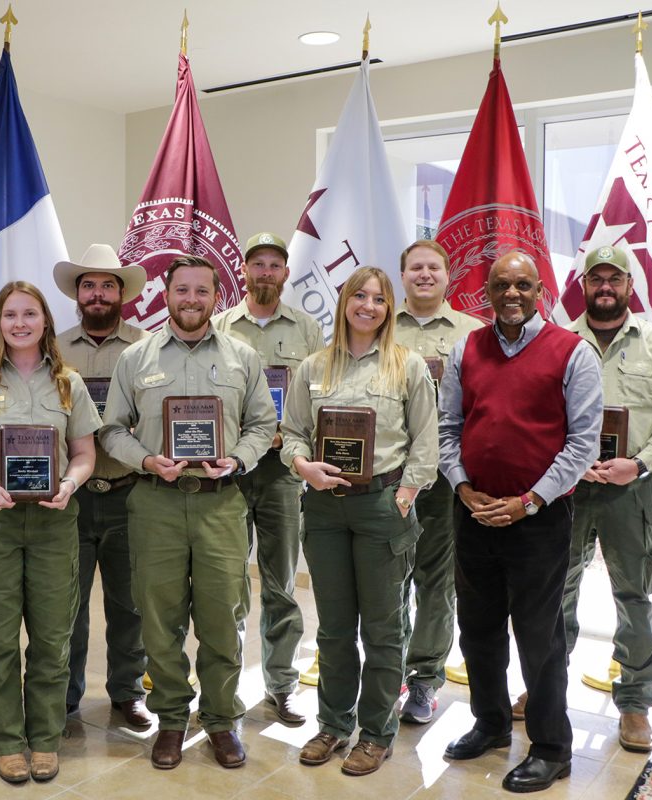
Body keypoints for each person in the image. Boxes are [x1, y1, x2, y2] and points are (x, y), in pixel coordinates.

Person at [100, 254, 277, 771]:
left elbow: (263, 426)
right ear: (167, 294)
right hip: (155, 501)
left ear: (215, 297)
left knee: (224, 617)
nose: (192, 300)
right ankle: (173, 718)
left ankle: (220, 720)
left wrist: (238, 460)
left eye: (202, 291)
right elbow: (112, 429)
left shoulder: (243, 357)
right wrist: (147, 459)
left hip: (221, 504)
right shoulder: (136, 358)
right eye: (183, 290)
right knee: (159, 619)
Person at [438, 251, 602, 794]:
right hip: (475, 513)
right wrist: (463, 488)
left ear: (540, 292)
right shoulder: (468, 347)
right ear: (487, 290)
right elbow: (448, 427)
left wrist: (529, 501)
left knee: (539, 636)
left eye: (523, 285)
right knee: (478, 628)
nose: (512, 293)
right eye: (501, 284)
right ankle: (488, 722)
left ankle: (552, 747)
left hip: (539, 519)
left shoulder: (572, 352)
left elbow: (582, 444)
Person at [280, 266, 437, 776]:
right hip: (324, 508)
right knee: (333, 627)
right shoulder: (312, 367)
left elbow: (426, 440)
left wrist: (405, 494)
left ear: (389, 308)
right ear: (344, 301)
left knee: (384, 628)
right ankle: (332, 723)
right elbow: (293, 432)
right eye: (359, 296)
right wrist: (303, 466)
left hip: (381, 505)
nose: (367, 306)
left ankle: (375, 732)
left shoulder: (406, 366)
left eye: (378, 299)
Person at [0, 281, 100, 784]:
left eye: (29, 314)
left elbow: (85, 455)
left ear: (45, 321)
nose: (20, 323)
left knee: (54, 634)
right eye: (10, 315)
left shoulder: (68, 384)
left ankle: (45, 737)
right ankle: (7, 738)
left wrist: (72, 484)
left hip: (55, 519)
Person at [558, 245, 652, 751]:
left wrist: (637, 464)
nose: (606, 287)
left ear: (630, 286)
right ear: (584, 286)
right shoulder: (557, 342)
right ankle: (545, 687)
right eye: (597, 279)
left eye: (614, 279)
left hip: (630, 491)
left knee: (634, 598)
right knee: (554, 592)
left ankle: (635, 701)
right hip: (567, 491)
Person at [212, 232, 323, 725]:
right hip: (230, 473)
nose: (265, 272)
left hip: (281, 474)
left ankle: (281, 685)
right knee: (228, 585)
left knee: (280, 584)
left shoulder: (308, 330)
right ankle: (225, 688)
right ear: (243, 270)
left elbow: (321, 395)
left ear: (285, 273)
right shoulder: (218, 326)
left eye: (274, 264)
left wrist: (291, 440)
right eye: (256, 264)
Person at [53, 245, 154, 729]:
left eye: (107, 285)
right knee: (67, 604)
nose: (98, 293)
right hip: (69, 496)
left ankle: (127, 692)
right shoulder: (52, 347)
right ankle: (66, 695)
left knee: (129, 603)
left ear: (121, 294)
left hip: (129, 492)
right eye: (89, 285)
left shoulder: (146, 346)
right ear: (78, 294)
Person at [391, 240, 484, 724]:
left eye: (433, 268)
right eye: (414, 268)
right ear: (402, 275)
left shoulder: (473, 333)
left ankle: (425, 678)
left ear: (448, 276)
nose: (424, 275)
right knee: (387, 579)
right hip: (389, 474)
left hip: (447, 477)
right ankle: (390, 674)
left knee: (436, 581)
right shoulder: (379, 325)